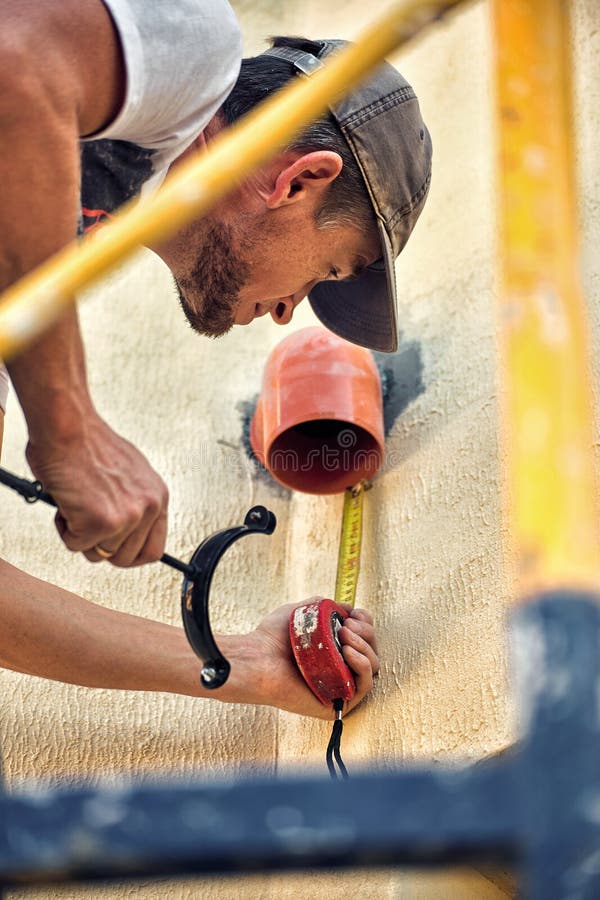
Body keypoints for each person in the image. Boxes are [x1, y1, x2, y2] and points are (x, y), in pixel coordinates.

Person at [0, 0, 431, 714]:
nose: (289, 311)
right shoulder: (192, 48)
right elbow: (15, 66)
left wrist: (242, 664)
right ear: (298, 182)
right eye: (325, 272)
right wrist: (68, 429)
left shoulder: (28, 278)